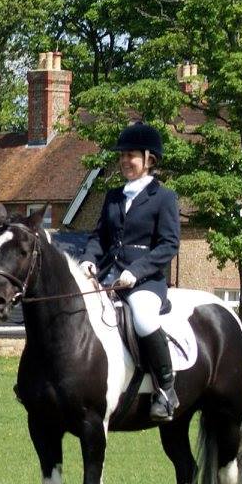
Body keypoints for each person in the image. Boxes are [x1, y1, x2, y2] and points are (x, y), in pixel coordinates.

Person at [79, 122, 181, 422]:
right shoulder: (112, 196)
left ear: (149, 159)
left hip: (146, 282)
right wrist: (88, 259)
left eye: (131, 155)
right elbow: (100, 237)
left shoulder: (164, 198)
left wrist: (136, 272)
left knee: (144, 319)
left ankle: (166, 390)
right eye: (122, 156)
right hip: (109, 275)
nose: (125, 161)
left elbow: (168, 244)